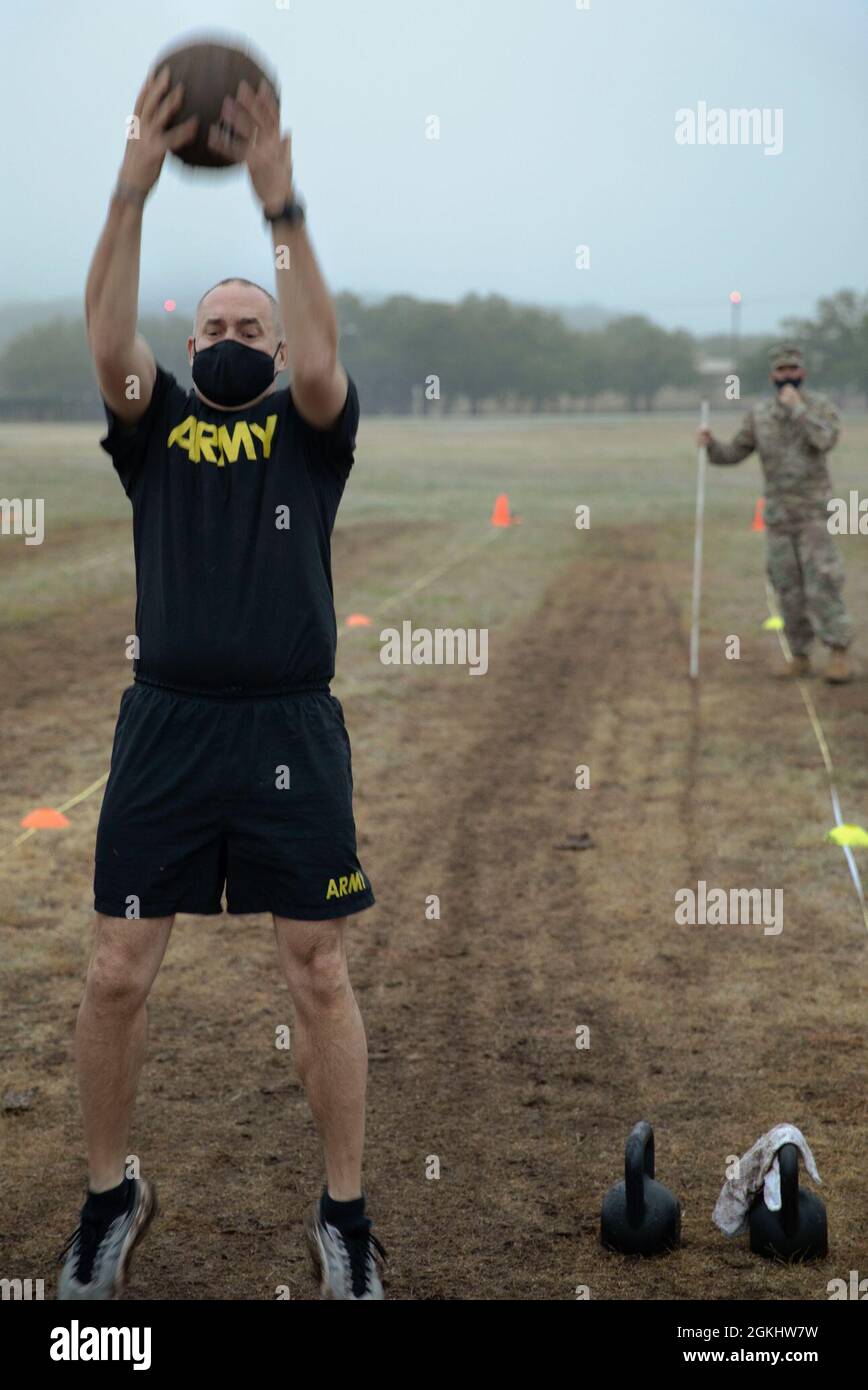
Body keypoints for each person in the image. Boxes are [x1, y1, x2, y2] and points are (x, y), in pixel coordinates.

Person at [58, 66, 384, 1301]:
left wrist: (281, 209)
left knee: (316, 968)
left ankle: (344, 1213)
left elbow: (319, 351)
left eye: (256, 328)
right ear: (190, 342)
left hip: (293, 729)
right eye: (217, 329)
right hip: (169, 733)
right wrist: (131, 188)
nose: (237, 342)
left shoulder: (312, 423)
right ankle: (107, 1196)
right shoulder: (158, 426)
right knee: (115, 971)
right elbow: (104, 334)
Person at [698, 345, 852, 682]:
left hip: (813, 514)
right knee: (788, 588)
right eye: (781, 371)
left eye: (792, 370)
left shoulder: (818, 408)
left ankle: (838, 651)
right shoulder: (760, 415)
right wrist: (711, 445)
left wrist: (798, 411)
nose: (787, 377)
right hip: (779, 518)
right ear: (772, 376)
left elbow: (825, 440)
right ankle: (799, 654)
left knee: (822, 583)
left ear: (803, 374)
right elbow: (733, 453)